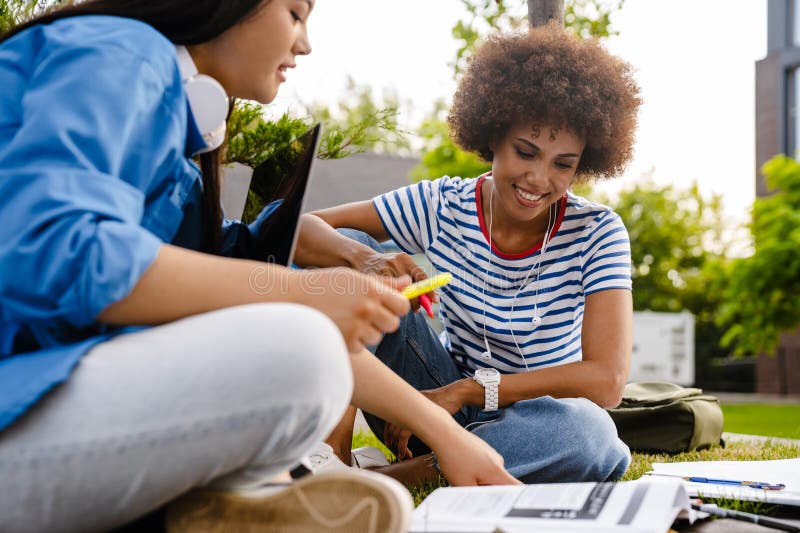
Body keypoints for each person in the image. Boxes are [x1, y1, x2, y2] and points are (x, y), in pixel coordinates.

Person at [0, 1, 518, 532]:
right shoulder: (121, 54)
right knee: (304, 353)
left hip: (42, 404)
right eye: (295, 12)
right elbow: (58, 251)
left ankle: (236, 501)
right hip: (18, 409)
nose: (305, 43)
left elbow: (238, 281)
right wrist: (297, 292)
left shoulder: (172, 154)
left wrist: (448, 435)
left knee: (304, 344)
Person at [296, 24, 642, 485]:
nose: (540, 179)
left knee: (593, 436)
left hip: (530, 420)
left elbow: (606, 380)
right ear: (494, 135)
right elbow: (299, 229)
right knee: (349, 255)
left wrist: (470, 391)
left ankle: (399, 478)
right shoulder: (443, 204)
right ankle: (332, 456)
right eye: (526, 151)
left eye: (564, 164)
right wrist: (368, 263)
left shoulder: (598, 232)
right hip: (428, 400)